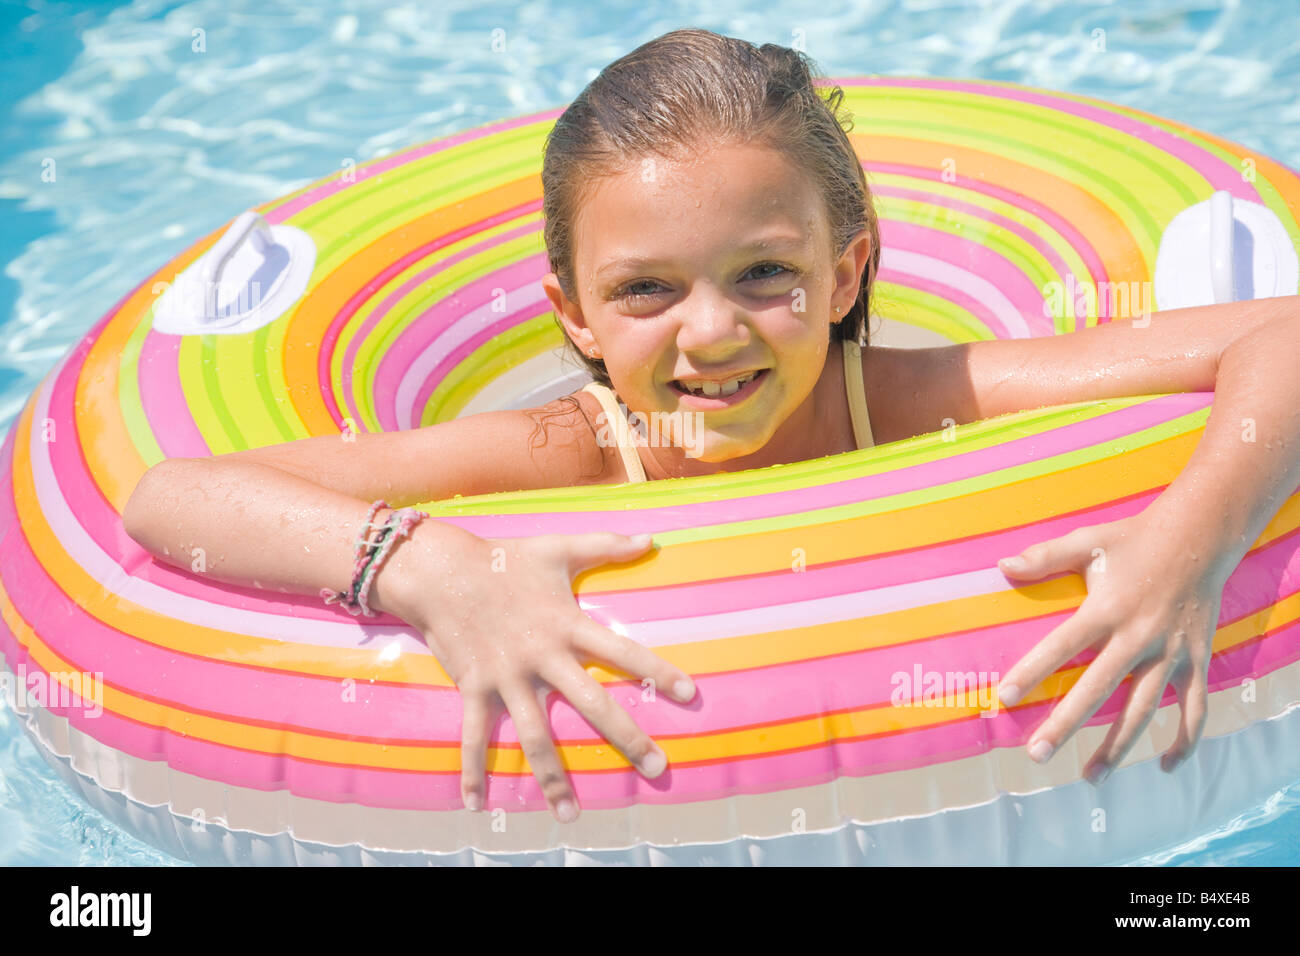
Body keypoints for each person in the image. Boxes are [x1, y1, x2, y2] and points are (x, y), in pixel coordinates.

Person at [124, 28, 1300, 821]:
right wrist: (429, 560)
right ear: (572, 315)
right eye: (645, 290)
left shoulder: (913, 398)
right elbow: (171, 494)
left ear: (846, 279)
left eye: (762, 275)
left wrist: (1188, 543)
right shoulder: (573, 450)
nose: (710, 333)